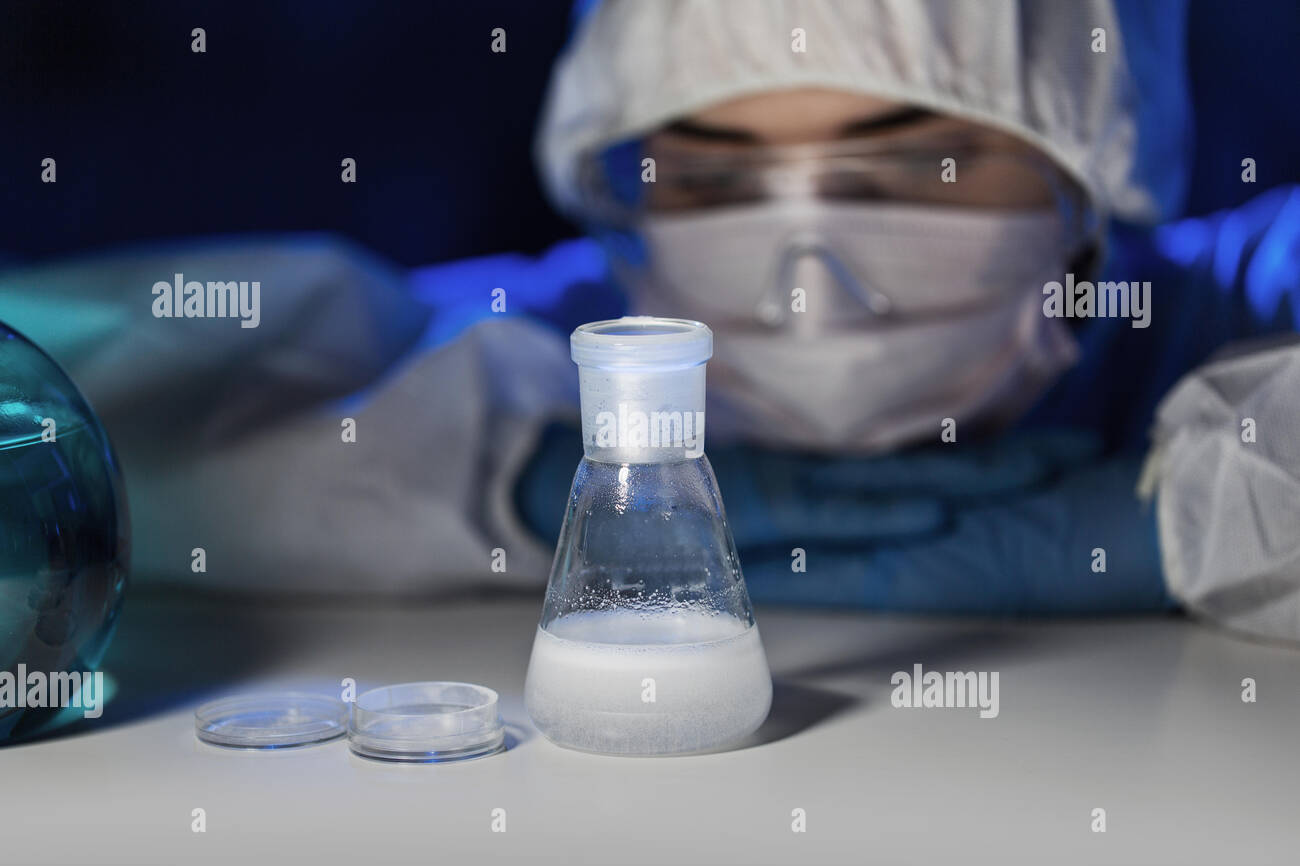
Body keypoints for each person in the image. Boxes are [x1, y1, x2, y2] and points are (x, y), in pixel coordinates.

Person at [1, 0, 1296, 641]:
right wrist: (459, 476)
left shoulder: (1240, 298)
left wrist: (1211, 514)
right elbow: (95, 387)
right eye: (717, 178)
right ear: (624, 187)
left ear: (1093, 181)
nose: (807, 282)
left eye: (920, 168)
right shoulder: (566, 337)